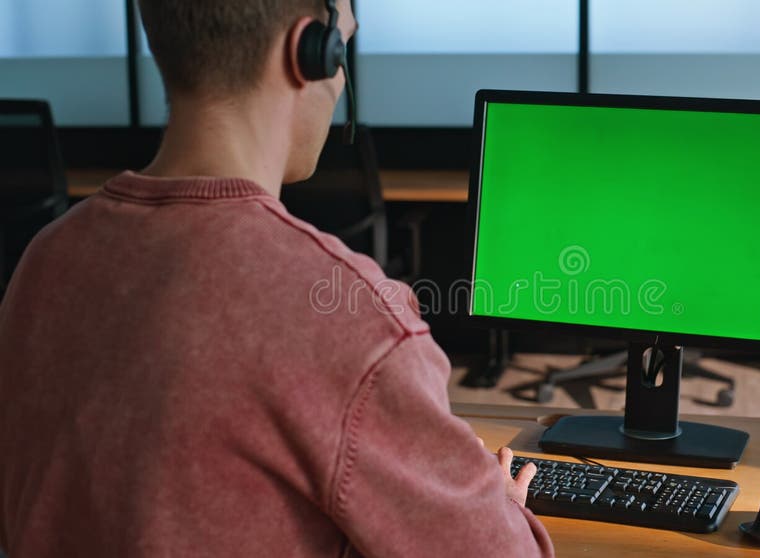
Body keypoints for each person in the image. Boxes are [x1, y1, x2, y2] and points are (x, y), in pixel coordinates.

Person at [0, 1, 553, 556]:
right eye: (343, 50)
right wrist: (501, 504)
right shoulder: (352, 316)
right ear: (306, 53)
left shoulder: (45, 263)